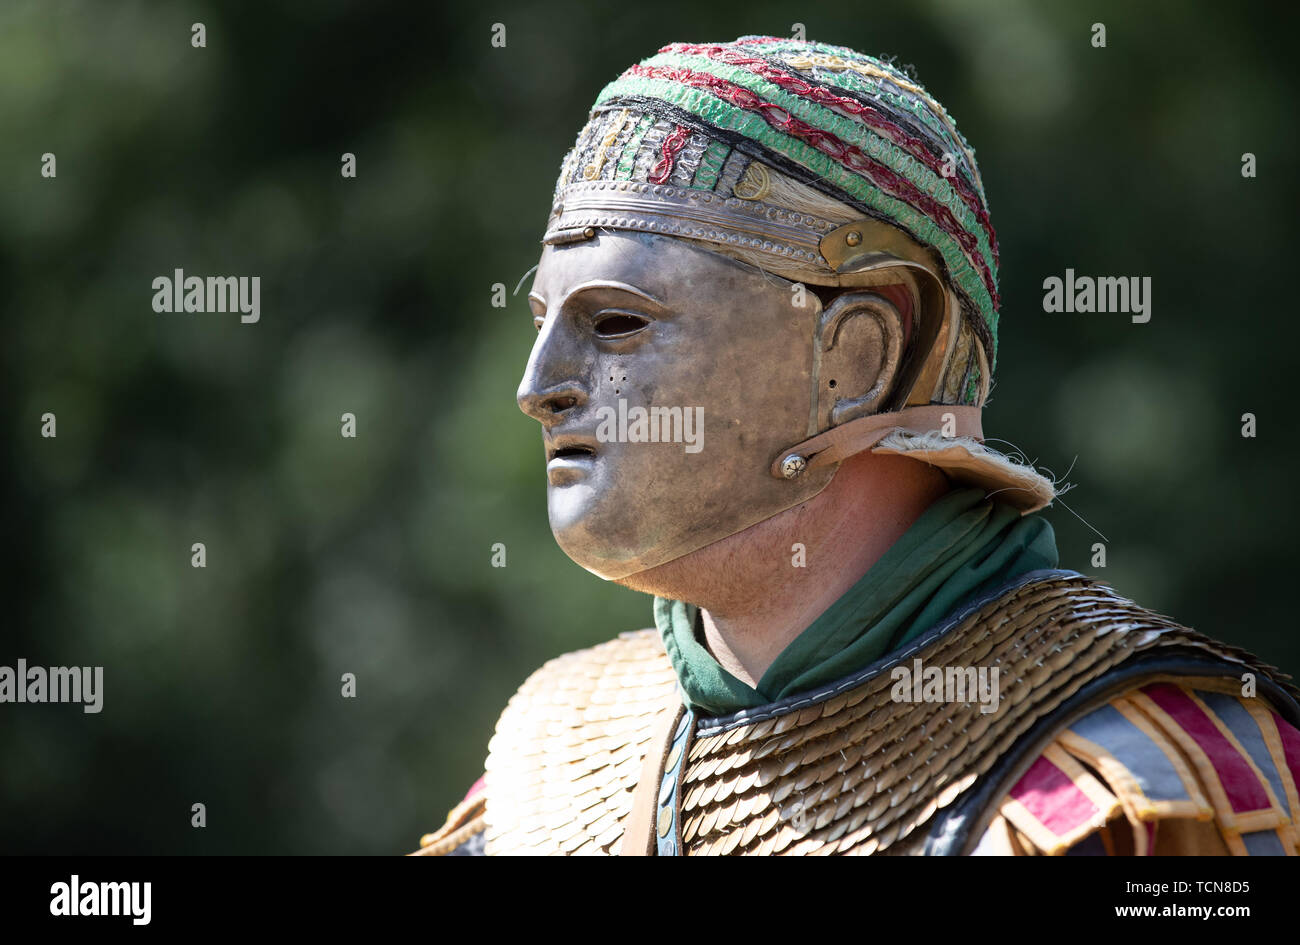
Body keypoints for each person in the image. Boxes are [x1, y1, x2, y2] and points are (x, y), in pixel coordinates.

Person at [414, 36, 1300, 856]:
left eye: (616, 321)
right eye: (542, 324)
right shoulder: (538, 781)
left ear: (856, 357)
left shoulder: (1149, 790)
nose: (538, 389)